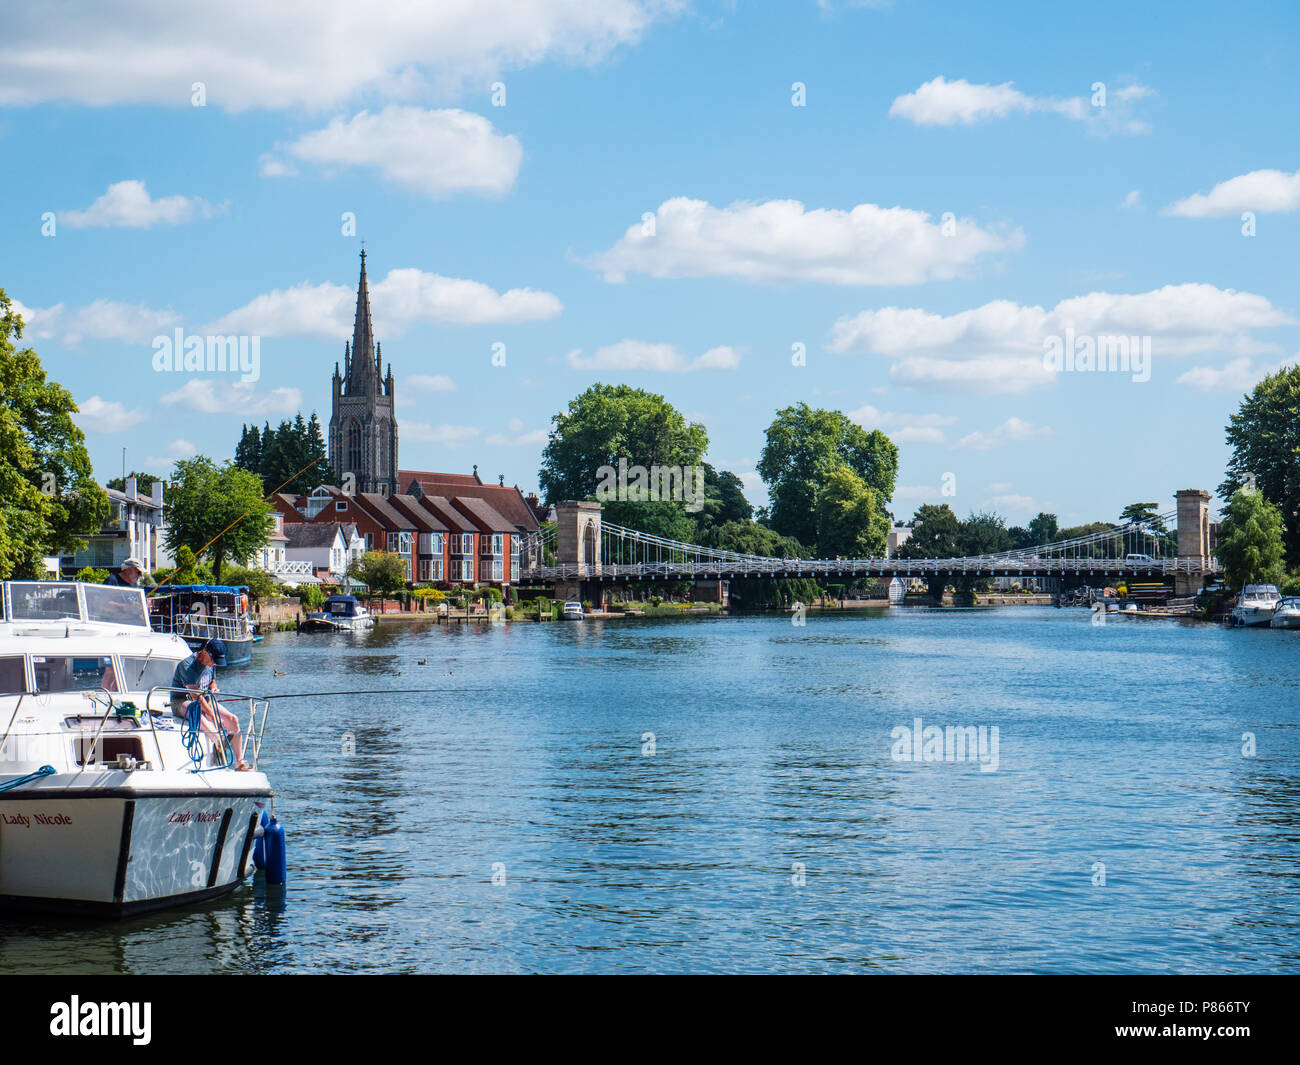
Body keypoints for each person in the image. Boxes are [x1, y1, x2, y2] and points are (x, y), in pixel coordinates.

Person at [169, 639, 249, 770]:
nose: (214, 664)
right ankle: (219, 749)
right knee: (199, 715)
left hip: (205, 699)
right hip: (181, 701)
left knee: (233, 720)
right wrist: (214, 717)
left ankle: (240, 763)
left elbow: (212, 681)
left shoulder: (211, 664)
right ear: (205, 653)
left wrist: (214, 688)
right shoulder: (187, 666)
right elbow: (196, 697)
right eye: (214, 660)